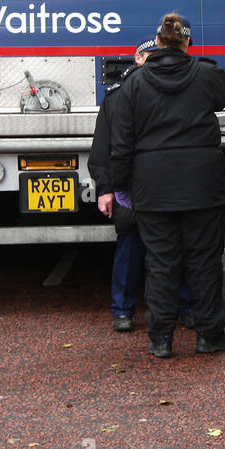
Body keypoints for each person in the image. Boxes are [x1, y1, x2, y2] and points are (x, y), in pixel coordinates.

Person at [107, 12, 225, 358]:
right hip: (202, 185)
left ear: (157, 41)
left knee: (160, 263)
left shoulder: (133, 84)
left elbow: (121, 143)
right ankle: (210, 334)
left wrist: (117, 185)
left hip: (153, 187)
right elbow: (221, 98)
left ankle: (160, 338)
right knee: (205, 261)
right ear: (187, 42)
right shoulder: (206, 74)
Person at [90, 38, 155, 331]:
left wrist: (106, 188)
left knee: (136, 248)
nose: (153, 61)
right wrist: (105, 188)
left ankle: (125, 311)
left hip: (136, 186)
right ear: (137, 59)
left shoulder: (118, 95)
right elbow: (102, 148)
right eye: (149, 56)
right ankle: (124, 310)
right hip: (133, 186)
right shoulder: (116, 97)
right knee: (133, 248)